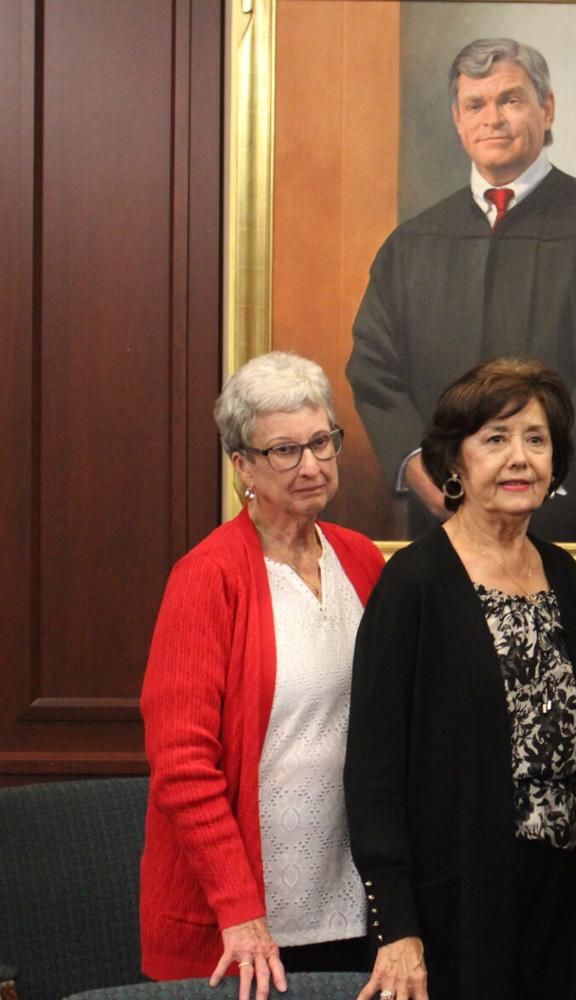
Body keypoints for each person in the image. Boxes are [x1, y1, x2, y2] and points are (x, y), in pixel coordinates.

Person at [344, 358, 576, 999]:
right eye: (495, 439)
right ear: (454, 463)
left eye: (536, 439)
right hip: (455, 907)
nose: (518, 458)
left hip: (564, 900)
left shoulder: (566, 578)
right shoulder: (414, 582)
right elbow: (373, 771)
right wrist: (397, 929)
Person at [347, 37, 576, 542]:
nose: (493, 118)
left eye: (510, 99)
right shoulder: (412, 244)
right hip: (446, 523)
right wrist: (417, 467)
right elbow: (376, 371)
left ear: (546, 109)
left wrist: (533, 466)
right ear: (457, 120)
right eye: (475, 104)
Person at [139, 352, 386, 999]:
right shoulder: (206, 578)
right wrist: (239, 910)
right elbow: (181, 764)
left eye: (321, 442)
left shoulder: (361, 560)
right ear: (241, 463)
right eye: (284, 450)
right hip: (240, 924)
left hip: (348, 900)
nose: (311, 465)